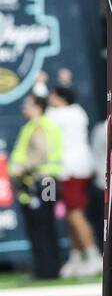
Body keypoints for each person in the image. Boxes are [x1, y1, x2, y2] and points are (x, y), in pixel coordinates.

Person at [47, 84, 101, 277]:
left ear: (61, 99)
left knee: (74, 213)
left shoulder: (58, 116)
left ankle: (93, 255)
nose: (50, 100)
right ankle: (77, 256)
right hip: (82, 166)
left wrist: (38, 86)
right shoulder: (78, 111)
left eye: (53, 97)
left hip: (70, 168)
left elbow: (43, 115)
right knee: (72, 212)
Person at [9, 94, 63, 281]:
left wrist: (19, 169)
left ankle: (46, 270)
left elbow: (39, 153)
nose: (24, 108)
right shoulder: (38, 125)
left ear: (38, 107)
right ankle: (48, 268)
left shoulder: (39, 126)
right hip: (46, 180)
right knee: (44, 223)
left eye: (28, 105)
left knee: (41, 223)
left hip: (43, 181)